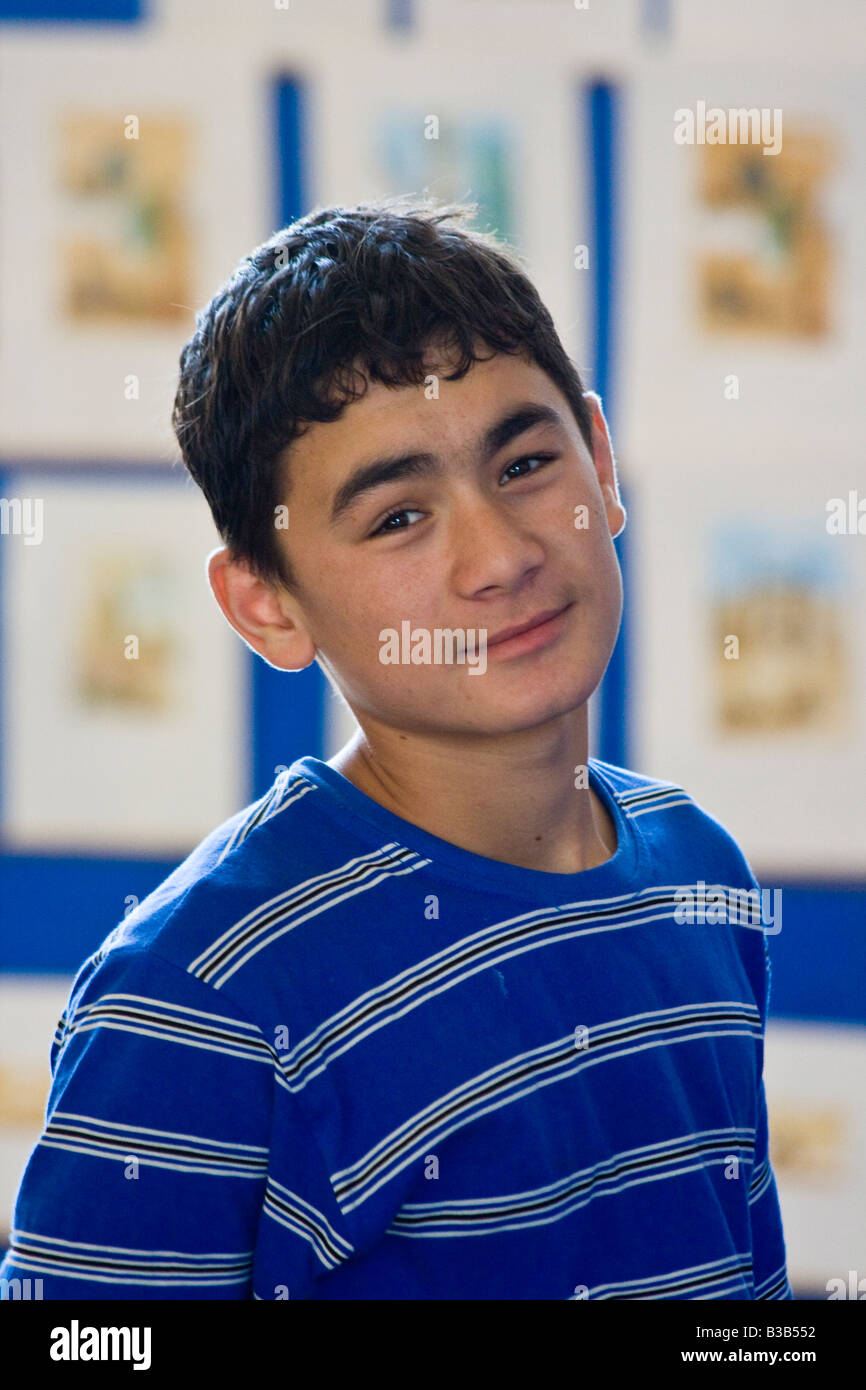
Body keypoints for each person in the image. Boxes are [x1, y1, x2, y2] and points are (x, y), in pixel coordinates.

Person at [0, 196, 791, 1299]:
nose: (499, 555)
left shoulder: (699, 871)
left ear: (599, 464)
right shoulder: (194, 996)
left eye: (522, 465)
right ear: (266, 604)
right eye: (396, 517)